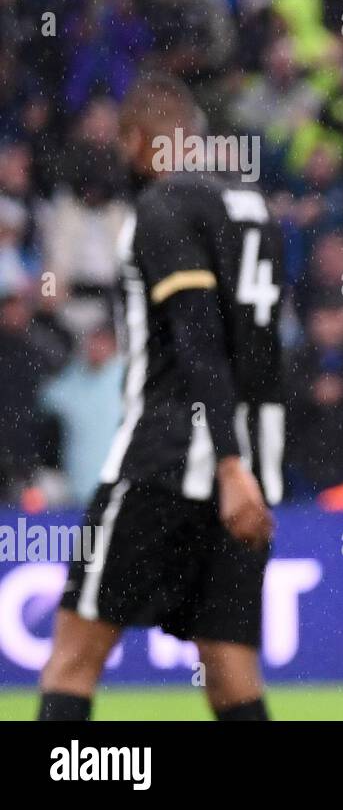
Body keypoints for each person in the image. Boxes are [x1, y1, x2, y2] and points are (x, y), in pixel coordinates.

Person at [37, 74, 283, 721]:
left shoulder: (163, 206)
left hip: (166, 460)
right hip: (249, 470)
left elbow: (199, 339)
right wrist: (246, 465)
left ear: (140, 140)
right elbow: (256, 349)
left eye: (124, 145)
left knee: (72, 658)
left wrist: (224, 462)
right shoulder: (252, 206)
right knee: (230, 672)